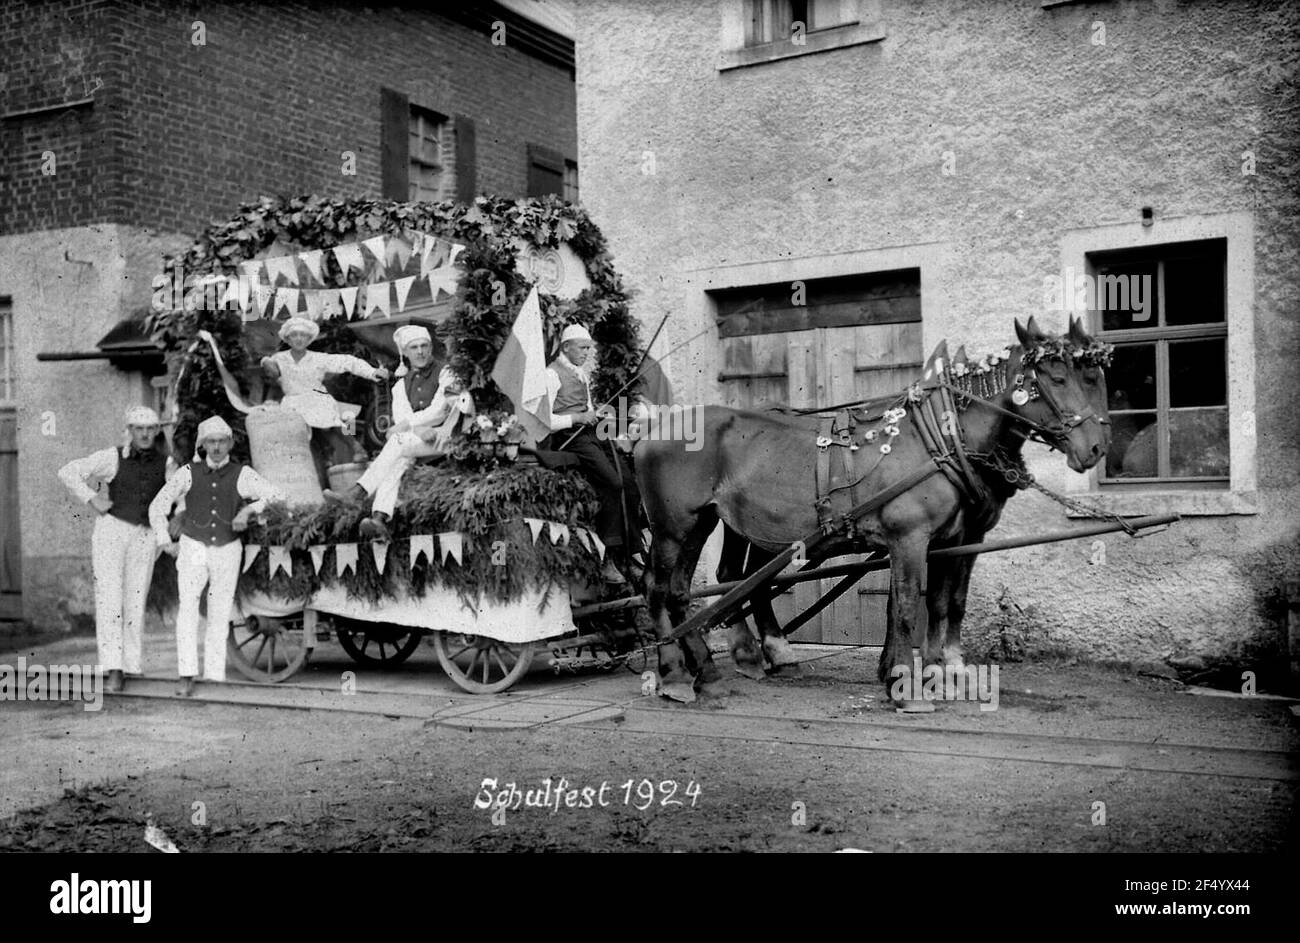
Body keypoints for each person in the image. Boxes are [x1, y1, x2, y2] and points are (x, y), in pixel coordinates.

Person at [148, 415, 283, 696]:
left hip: (228, 547)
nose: (218, 447)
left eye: (222, 441)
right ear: (203, 444)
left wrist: (249, 511)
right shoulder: (187, 473)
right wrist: (164, 541)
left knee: (220, 612)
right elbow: (157, 507)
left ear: (230, 443)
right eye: (212, 441)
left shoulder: (242, 474)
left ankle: (214, 677)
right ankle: (186, 674)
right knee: (188, 609)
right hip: (193, 546)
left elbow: (277, 495)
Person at [58, 406, 176, 693]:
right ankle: (113, 667)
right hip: (112, 532)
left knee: (135, 600)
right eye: (139, 428)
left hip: (144, 537)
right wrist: (92, 500)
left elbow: (179, 494)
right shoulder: (112, 457)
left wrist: (177, 519)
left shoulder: (167, 462)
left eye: (150, 429)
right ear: (129, 430)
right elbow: (68, 471)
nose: (145, 434)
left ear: (157, 431)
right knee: (111, 599)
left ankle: (132, 666)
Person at [323, 325, 471, 542]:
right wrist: (417, 427)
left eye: (424, 346)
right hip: (419, 439)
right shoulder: (400, 385)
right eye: (414, 347)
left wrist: (409, 425)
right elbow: (401, 419)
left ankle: (358, 492)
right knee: (398, 456)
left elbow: (440, 410)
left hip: (447, 437)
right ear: (406, 353)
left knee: (398, 440)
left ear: (430, 348)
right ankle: (379, 519)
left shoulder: (446, 372)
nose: (420, 352)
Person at [541, 324, 636, 585]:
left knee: (628, 482)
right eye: (582, 348)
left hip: (591, 433)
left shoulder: (580, 373)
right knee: (612, 482)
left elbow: (589, 408)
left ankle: (628, 555)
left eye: (588, 348)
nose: (586, 353)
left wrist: (599, 414)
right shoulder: (551, 374)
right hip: (569, 438)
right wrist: (579, 417)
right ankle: (606, 559)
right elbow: (544, 420)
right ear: (566, 347)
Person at [260, 316, 388, 462]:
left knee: (330, 420)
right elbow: (269, 369)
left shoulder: (318, 358)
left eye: (303, 335)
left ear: (309, 339)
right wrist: (265, 362)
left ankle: (356, 447)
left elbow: (347, 361)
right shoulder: (279, 358)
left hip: (316, 397)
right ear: (288, 339)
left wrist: (372, 372)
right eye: (294, 335)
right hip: (292, 402)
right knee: (293, 435)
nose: (299, 339)